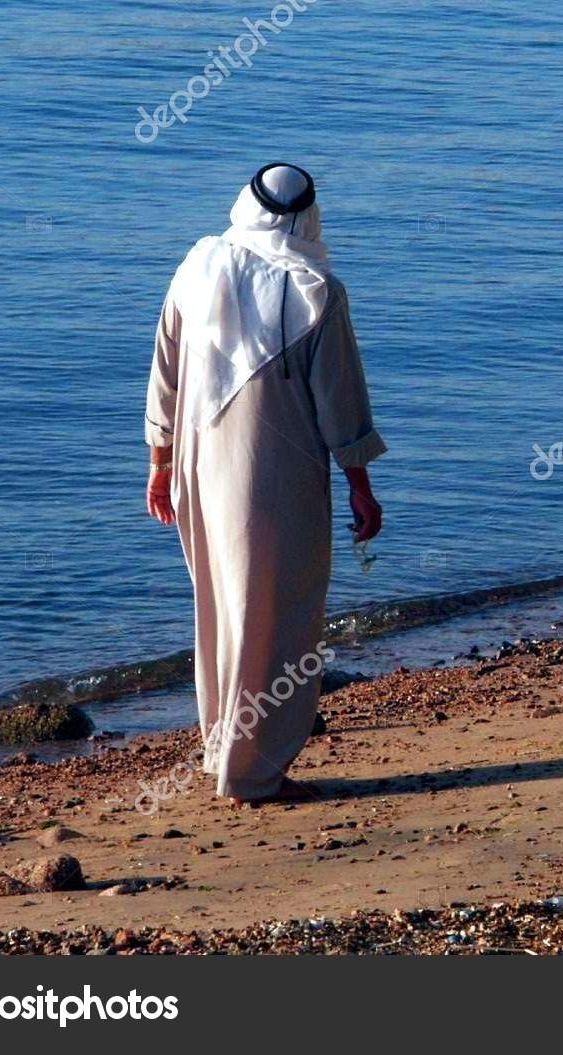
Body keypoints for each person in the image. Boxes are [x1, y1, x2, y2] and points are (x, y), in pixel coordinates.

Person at [143, 162, 385, 804]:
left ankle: (223, 747)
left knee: (221, 605)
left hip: (199, 463)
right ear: (308, 215)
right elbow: (339, 401)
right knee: (276, 612)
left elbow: (165, 368)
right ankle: (251, 772)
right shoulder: (316, 291)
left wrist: (160, 460)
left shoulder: (198, 267)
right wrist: (360, 484)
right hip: (275, 475)